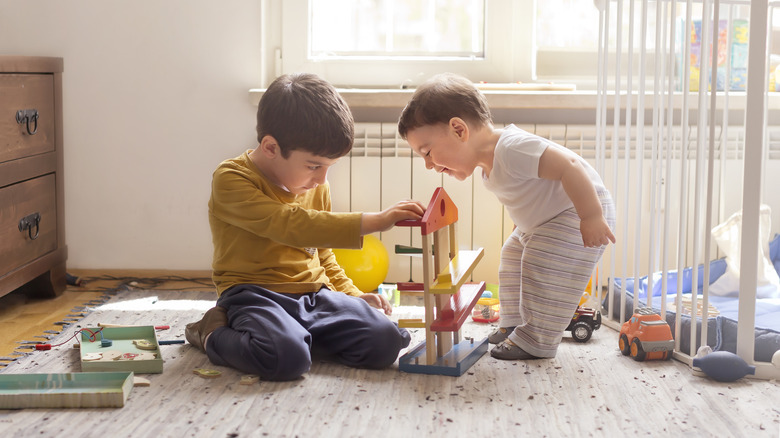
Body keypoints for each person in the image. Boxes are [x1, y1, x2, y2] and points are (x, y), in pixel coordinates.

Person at [186, 73, 425, 381]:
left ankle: (299, 337)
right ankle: (212, 331)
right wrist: (376, 221)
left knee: (386, 341)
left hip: (314, 294)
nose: (322, 179)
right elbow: (290, 226)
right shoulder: (231, 179)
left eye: (328, 167)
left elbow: (321, 251)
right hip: (253, 294)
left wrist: (350, 295)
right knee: (285, 359)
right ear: (271, 147)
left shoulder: (313, 184)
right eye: (314, 166)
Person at [397, 73, 616, 360]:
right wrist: (521, 229)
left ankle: (537, 339)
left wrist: (591, 216)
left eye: (427, 152)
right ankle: (514, 323)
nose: (428, 165)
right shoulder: (489, 167)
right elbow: (528, 197)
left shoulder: (512, 148)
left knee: (539, 264)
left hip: (577, 210)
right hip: (545, 220)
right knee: (512, 256)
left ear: (459, 130)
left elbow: (570, 166)